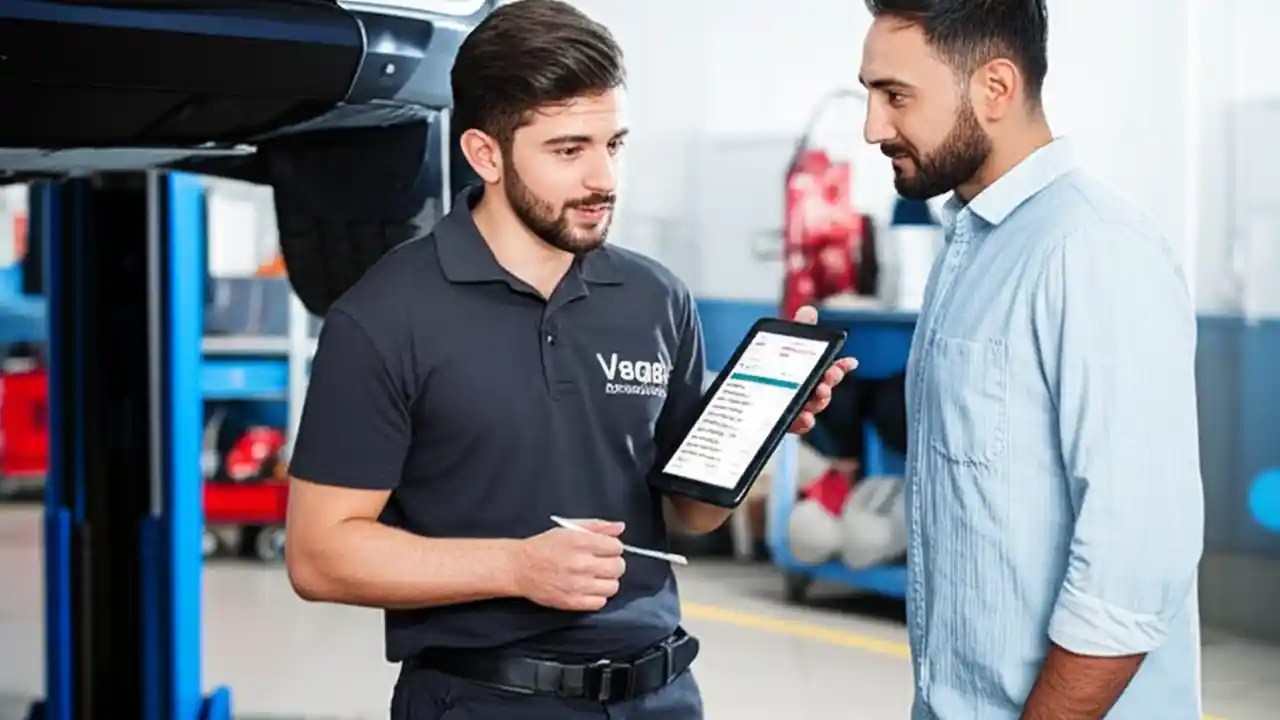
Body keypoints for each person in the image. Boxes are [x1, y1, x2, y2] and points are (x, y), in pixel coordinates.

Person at [281, 1, 856, 718]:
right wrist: (515, 567)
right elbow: (317, 554)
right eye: (568, 149)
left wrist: (753, 432)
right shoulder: (384, 316)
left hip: (662, 695)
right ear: (485, 154)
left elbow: (689, 516)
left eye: (614, 144)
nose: (602, 178)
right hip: (486, 700)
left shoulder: (655, 297)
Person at [857, 1, 1205, 719]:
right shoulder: (967, 247)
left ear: (995, 88)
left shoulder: (1093, 250)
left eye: (895, 96)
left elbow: (1132, 569)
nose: (872, 128)